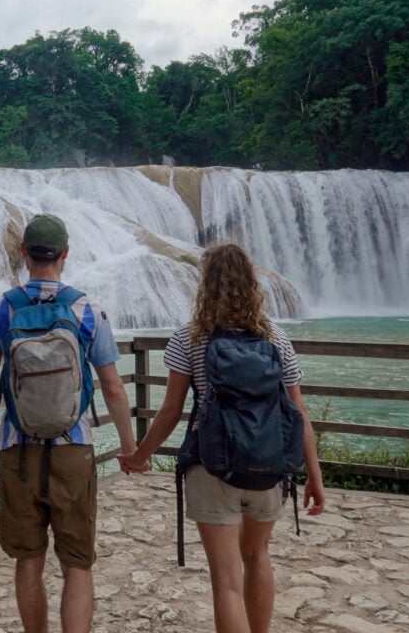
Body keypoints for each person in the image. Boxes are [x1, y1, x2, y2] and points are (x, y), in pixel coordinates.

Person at [118, 241, 326, 633]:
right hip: (268, 465)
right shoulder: (276, 339)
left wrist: (139, 455)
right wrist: (313, 475)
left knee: (226, 580)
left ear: (204, 286)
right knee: (258, 556)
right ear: (251, 284)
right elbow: (298, 413)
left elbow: (170, 411)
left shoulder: (187, 339)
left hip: (211, 467)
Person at [0, 212, 137, 633]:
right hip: (73, 447)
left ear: (23, 253)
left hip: (16, 447)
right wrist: (131, 449)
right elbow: (113, 389)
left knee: (29, 559)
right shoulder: (88, 310)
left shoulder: (0, 309)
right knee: (77, 564)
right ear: (65, 254)